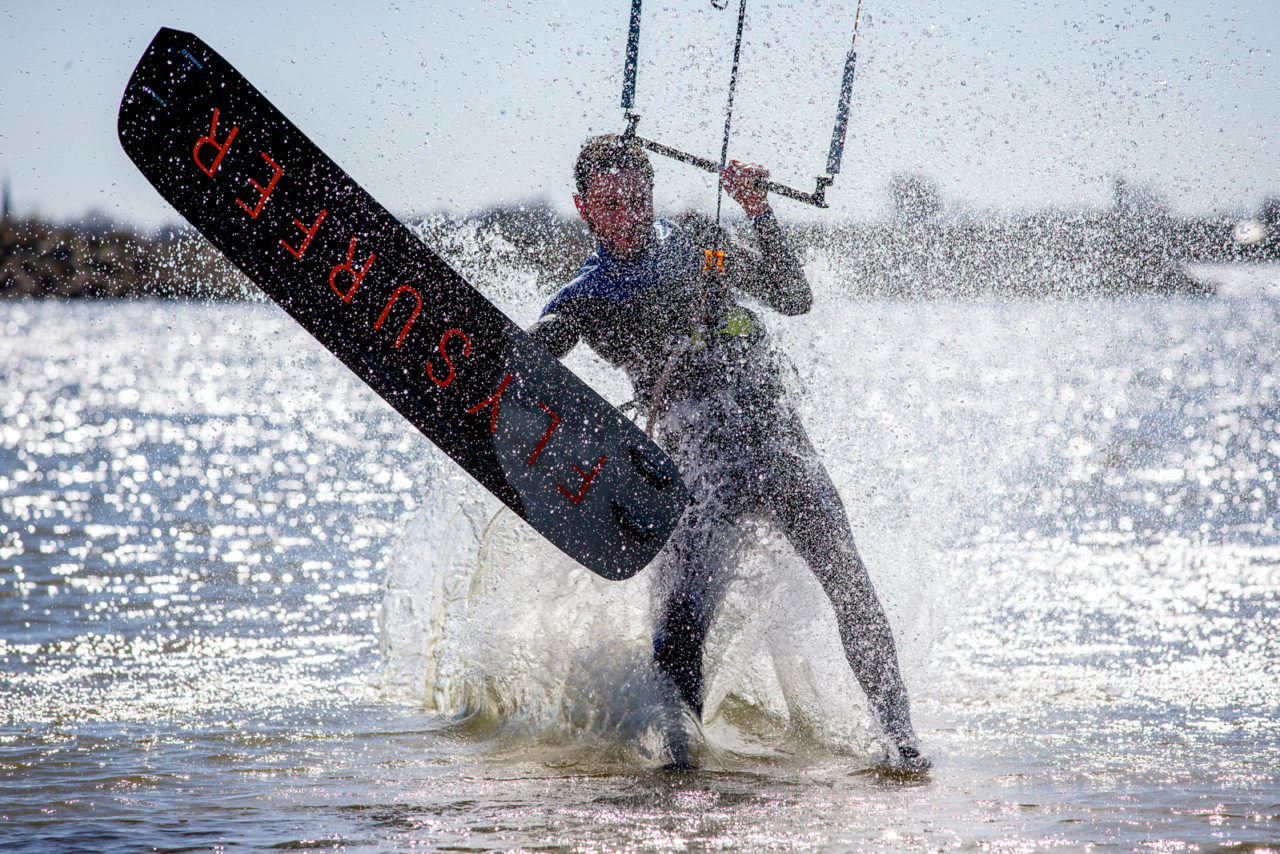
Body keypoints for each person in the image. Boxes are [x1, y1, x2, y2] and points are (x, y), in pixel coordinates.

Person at [528, 135, 928, 772]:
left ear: (652, 193)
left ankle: (905, 752)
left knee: (851, 588)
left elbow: (792, 295)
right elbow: (531, 368)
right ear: (583, 207)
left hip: (779, 449)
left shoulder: (697, 241)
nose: (627, 215)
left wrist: (758, 211)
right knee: (682, 632)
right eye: (610, 204)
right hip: (697, 479)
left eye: (637, 198)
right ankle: (681, 773)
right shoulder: (585, 297)